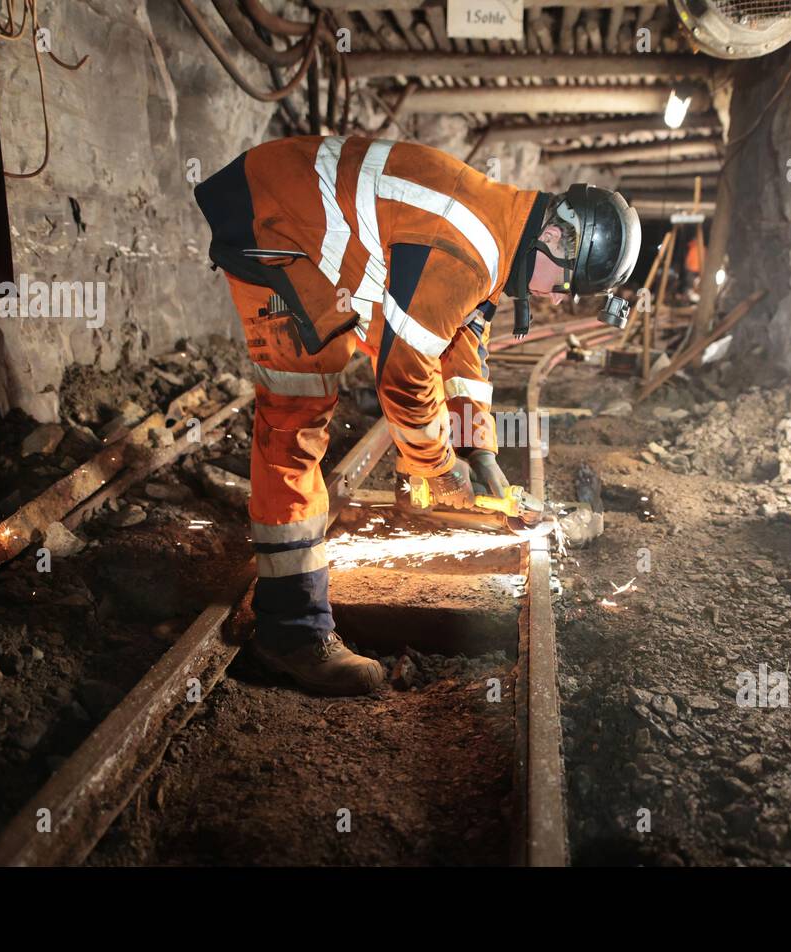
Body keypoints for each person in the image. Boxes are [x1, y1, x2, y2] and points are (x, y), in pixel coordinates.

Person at [195, 135, 640, 695]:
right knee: (298, 409)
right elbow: (403, 375)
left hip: (314, 226)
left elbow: (462, 346)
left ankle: (295, 619)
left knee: (396, 344)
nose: (557, 299)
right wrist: (438, 471)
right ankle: (292, 630)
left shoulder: (500, 232)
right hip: (275, 221)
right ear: (553, 236)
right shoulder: (467, 250)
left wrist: (480, 456)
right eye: (567, 285)